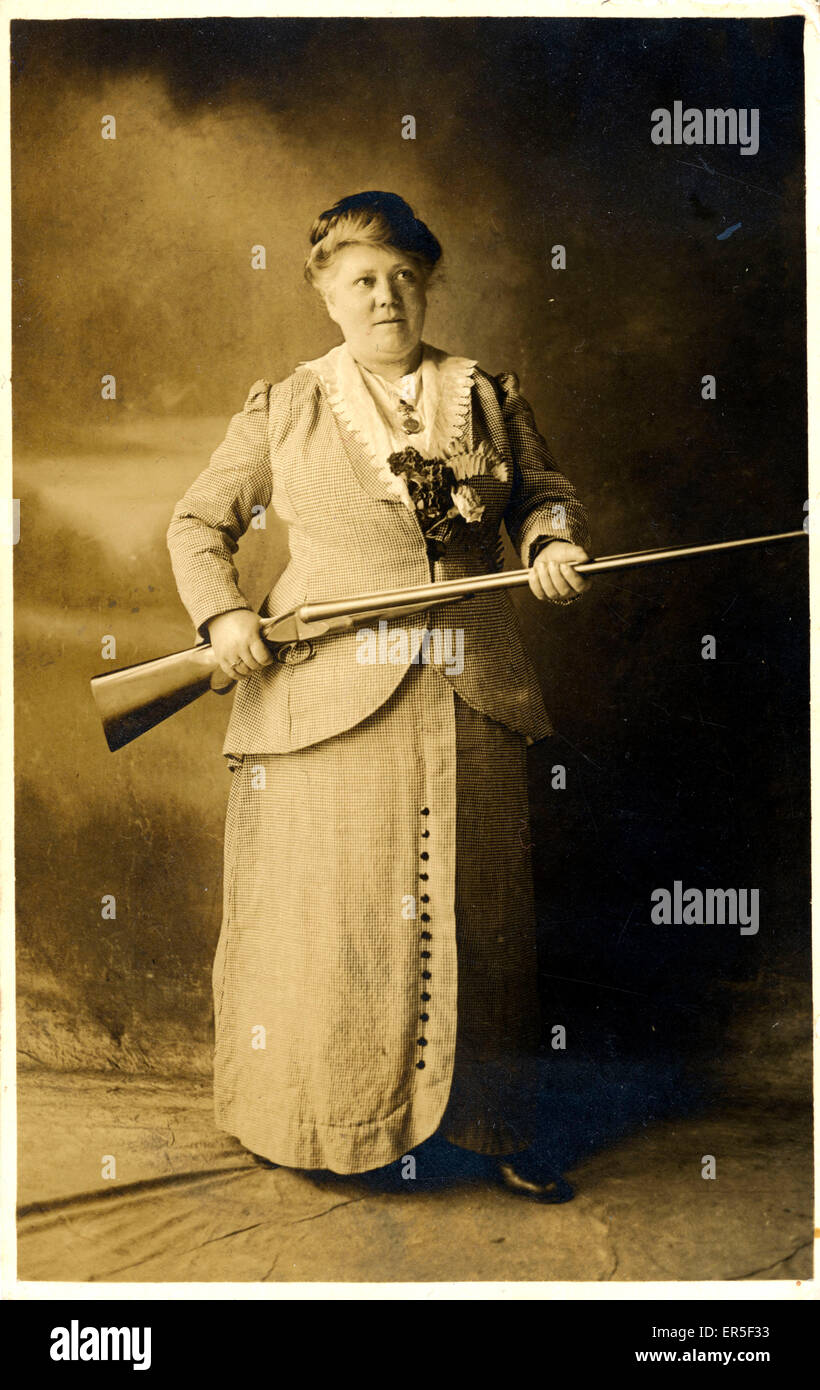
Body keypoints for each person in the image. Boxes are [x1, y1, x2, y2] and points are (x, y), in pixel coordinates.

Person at [167, 191, 591, 1202]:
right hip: (324, 700)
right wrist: (224, 618)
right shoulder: (288, 404)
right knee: (337, 916)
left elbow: (542, 490)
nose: (384, 296)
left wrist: (553, 540)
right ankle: (318, 1120)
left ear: (427, 282)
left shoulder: (484, 392)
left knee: (480, 911)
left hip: (470, 690)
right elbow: (196, 524)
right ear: (324, 291)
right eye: (361, 278)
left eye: (404, 275)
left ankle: (496, 1124)